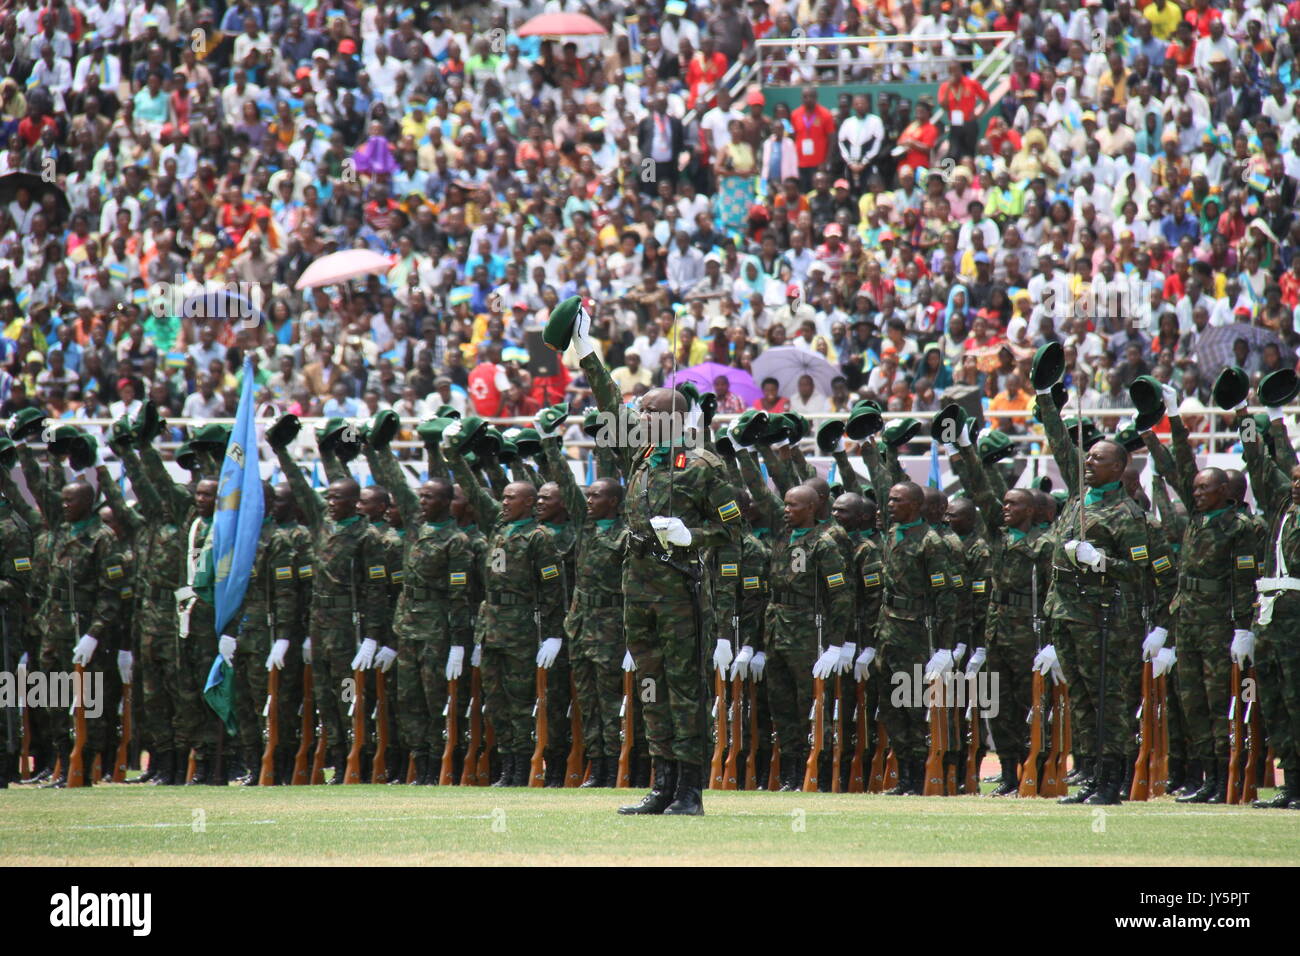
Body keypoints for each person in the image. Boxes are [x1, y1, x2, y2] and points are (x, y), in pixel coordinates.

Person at [560, 302, 742, 815]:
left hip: (680, 592)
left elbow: (733, 532)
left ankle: (690, 791)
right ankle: (662, 786)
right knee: (649, 688)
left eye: (646, 413)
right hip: (637, 590)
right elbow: (610, 403)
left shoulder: (701, 465)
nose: (636, 418)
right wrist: (586, 350)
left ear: (668, 419)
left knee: (685, 690)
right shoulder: (639, 455)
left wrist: (691, 537)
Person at [443, 420, 565, 789]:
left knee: (519, 699)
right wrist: (454, 453)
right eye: (505, 497)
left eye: (512, 498)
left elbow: (553, 590)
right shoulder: (498, 527)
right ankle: (507, 767)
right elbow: (475, 492)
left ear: (529, 503)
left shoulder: (538, 538)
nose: (505, 501)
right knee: (495, 700)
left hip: (522, 628)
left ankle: (525, 767)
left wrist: (554, 634)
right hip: (492, 624)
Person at [269, 416, 390, 784]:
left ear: (357, 504)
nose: (330, 502)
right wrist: (282, 451)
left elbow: (376, 592)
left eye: (338, 498)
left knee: (349, 695)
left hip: (349, 627)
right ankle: (338, 757)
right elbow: (300, 486)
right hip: (320, 627)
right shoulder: (323, 524)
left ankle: (362, 759)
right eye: (330, 497)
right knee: (324, 696)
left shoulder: (369, 537)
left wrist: (372, 635)